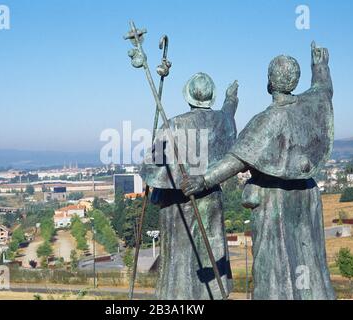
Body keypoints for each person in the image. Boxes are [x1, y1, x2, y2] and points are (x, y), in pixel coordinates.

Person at [181, 43, 336, 300]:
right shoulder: (311, 104)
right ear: (295, 81)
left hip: (274, 198)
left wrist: (203, 180)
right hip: (307, 195)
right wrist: (320, 67)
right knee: (308, 255)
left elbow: (236, 160)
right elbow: (324, 89)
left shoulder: (266, 121)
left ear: (269, 83)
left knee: (277, 260)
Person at [140, 73, 238, 299]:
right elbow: (228, 114)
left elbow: (152, 169)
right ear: (211, 98)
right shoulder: (223, 121)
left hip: (177, 204)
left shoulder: (174, 124)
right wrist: (231, 98)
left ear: (189, 97)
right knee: (208, 252)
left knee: (180, 260)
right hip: (211, 198)